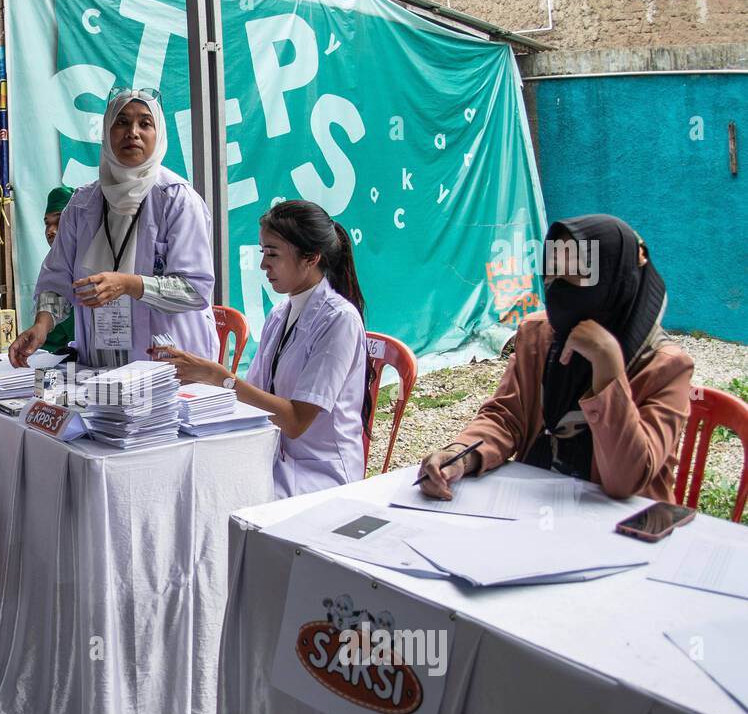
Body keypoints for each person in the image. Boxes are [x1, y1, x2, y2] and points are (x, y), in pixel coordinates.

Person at [417, 214, 694, 503]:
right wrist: (460, 455)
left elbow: (625, 481)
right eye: (552, 274)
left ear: (614, 278)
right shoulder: (539, 335)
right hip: (536, 508)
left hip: (621, 528)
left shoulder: (666, 367)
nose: (557, 288)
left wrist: (608, 366)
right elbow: (506, 416)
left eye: (574, 273)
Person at [158, 200, 370, 497]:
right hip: (275, 455)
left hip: (319, 474)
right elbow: (254, 396)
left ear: (310, 257)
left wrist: (219, 377)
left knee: (212, 498)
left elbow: (295, 421)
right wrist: (201, 377)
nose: (263, 265)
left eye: (272, 254)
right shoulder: (281, 313)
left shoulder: (339, 321)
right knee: (190, 479)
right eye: (262, 252)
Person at [9, 88, 217, 368]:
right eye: (121, 122)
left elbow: (195, 289)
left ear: (159, 135)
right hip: (98, 366)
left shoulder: (177, 200)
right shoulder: (83, 204)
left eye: (145, 123)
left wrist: (129, 284)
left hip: (168, 366)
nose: (133, 132)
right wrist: (42, 326)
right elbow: (57, 280)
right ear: (106, 132)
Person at [41, 185, 76, 353]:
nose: (50, 231)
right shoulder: (54, 271)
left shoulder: (95, 265)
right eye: (47, 224)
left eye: (59, 220)